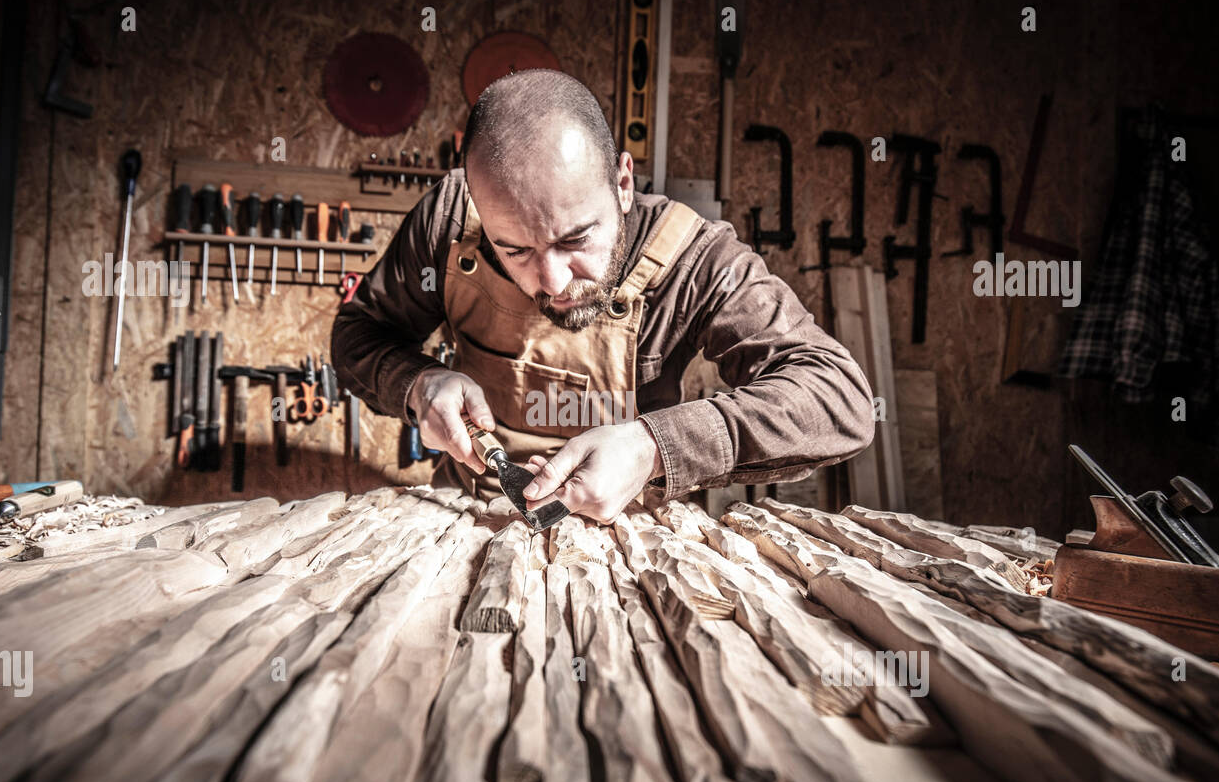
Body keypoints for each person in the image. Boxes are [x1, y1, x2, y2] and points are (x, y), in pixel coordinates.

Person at [332, 69, 874, 524]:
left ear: (621, 183)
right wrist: (418, 383)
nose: (554, 281)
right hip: (469, 522)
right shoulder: (451, 220)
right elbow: (357, 333)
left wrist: (653, 446)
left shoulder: (694, 258)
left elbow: (839, 397)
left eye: (574, 240)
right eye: (514, 250)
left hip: (622, 551)